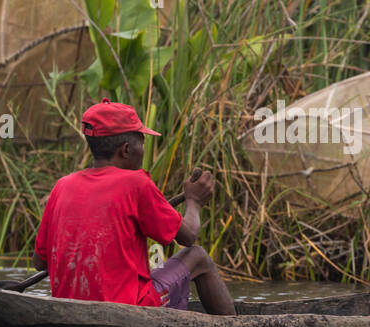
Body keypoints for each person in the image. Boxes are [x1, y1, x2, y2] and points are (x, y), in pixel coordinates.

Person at [32, 98, 236, 315]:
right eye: (142, 143)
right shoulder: (136, 184)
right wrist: (194, 201)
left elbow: (40, 262)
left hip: (68, 307)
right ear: (127, 150)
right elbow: (188, 236)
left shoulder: (62, 186)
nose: (143, 150)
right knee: (198, 256)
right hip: (129, 308)